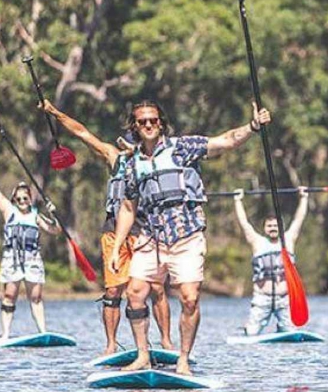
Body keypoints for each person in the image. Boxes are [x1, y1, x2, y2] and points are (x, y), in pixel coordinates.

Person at [108, 99, 271, 375]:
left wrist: (253, 126)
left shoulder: (182, 148)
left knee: (189, 298)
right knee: (135, 293)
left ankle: (183, 359)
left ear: (161, 122)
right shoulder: (132, 163)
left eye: (154, 120)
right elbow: (128, 207)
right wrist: (116, 248)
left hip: (186, 235)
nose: (149, 125)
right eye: (143, 121)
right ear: (135, 126)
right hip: (151, 238)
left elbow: (225, 141)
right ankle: (142, 356)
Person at [41, 99, 173, 356]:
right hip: (115, 229)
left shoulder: (155, 156)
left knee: (156, 288)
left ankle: (166, 342)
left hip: (146, 230)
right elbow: (82, 133)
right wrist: (55, 112)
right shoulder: (115, 157)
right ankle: (111, 345)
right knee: (113, 290)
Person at [0, 157, 59, 338]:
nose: (22, 201)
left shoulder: (36, 216)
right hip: (12, 259)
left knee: (35, 297)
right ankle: (5, 334)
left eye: (25, 198)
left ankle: (42, 332)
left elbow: (55, 230)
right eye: (18, 199)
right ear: (14, 200)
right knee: (9, 296)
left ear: (30, 199)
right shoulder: (9, 211)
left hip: (32, 259)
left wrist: (54, 214)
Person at [233, 190, 309, 336]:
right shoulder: (257, 242)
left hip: (285, 299)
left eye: (276, 225)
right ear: (264, 228)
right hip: (262, 299)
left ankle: (283, 327)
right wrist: (238, 201)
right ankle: (249, 329)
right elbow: (244, 223)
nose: (273, 228)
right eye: (269, 226)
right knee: (252, 334)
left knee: (291, 333)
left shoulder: (289, 240)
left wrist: (304, 198)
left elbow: (299, 219)